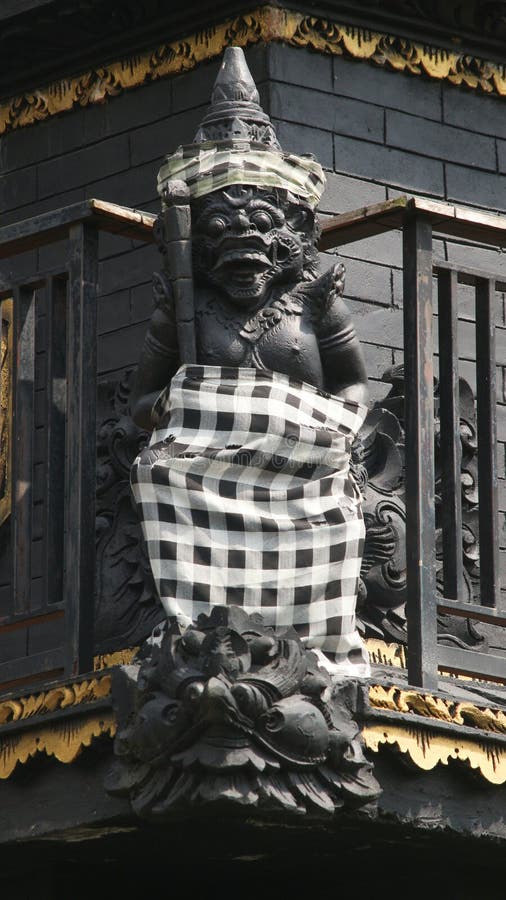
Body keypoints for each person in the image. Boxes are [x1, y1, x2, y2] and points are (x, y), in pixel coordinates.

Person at [130, 47, 371, 677]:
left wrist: (335, 425)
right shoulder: (182, 314)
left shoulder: (313, 304)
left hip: (304, 468)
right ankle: (202, 626)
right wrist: (174, 406)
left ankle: (313, 629)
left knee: (337, 514)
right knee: (157, 477)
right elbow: (140, 401)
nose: (244, 241)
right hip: (208, 472)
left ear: (292, 233)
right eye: (221, 226)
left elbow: (352, 383)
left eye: (262, 221)